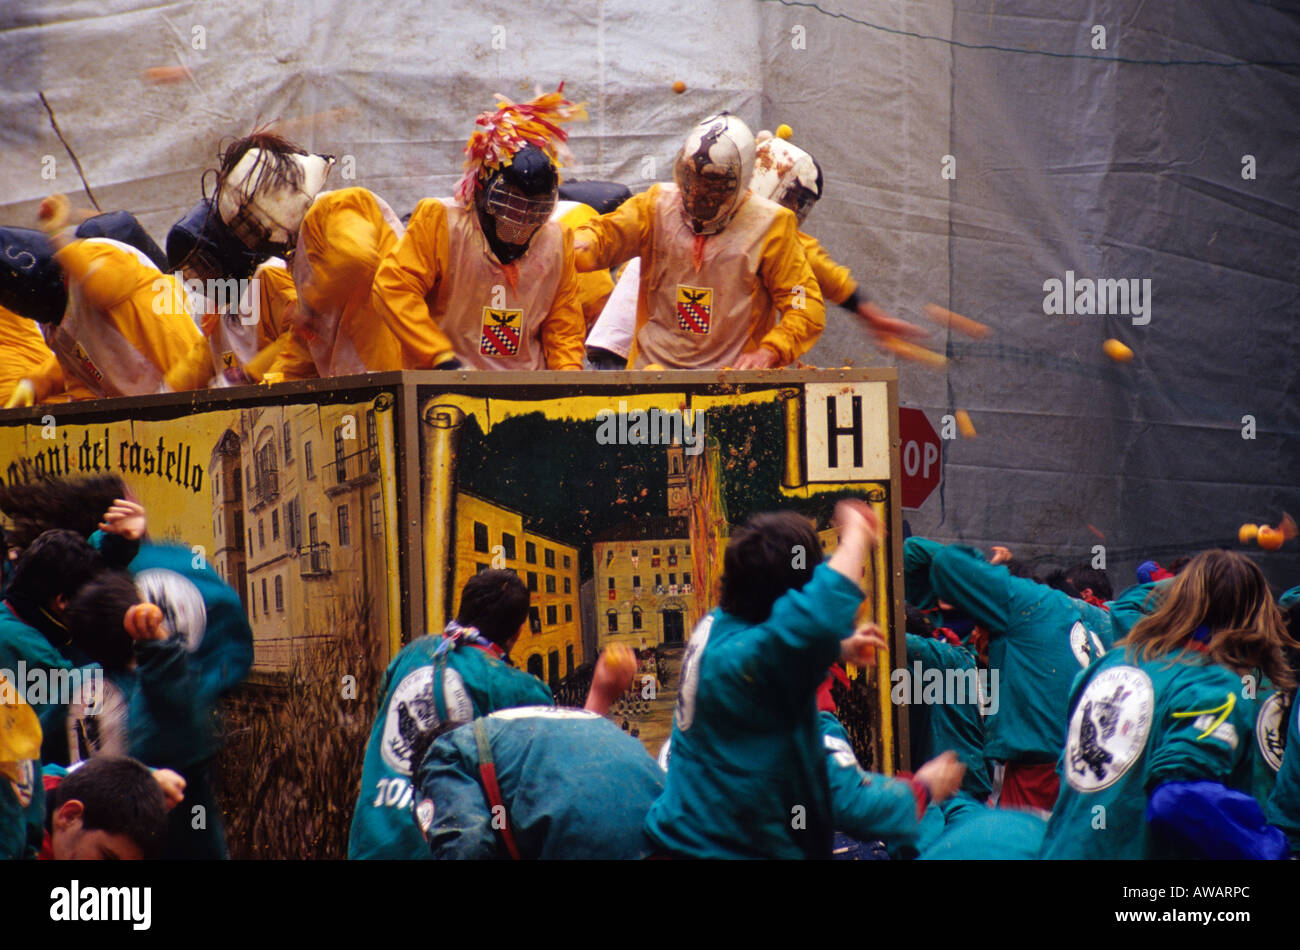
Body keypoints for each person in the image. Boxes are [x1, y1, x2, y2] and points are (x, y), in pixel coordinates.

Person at [643, 500, 883, 859]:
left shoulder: (716, 626)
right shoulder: (805, 724)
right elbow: (822, 609)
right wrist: (855, 534)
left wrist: (837, 646)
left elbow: (779, 639)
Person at [1040, 550, 1293, 859]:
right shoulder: (1210, 685)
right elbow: (1178, 798)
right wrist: (1264, 846)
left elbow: (1067, 769)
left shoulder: (1105, 664)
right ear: (1252, 618)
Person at [572, 112, 825, 370]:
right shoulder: (656, 204)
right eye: (692, 177)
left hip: (730, 389)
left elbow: (802, 302)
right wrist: (583, 242)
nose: (699, 193)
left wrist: (770, 351)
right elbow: (606, 235)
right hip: (650, 383)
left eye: (715, 183)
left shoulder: (772, 224)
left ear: (742, 179)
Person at [371, 88, 587, 371]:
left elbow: (563, 327)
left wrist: (570, 380)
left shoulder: (556, 241)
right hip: (444, 389)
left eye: (535, 209)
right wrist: (438, 356)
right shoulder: (441, 221)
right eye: (510, 204)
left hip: (526, 393)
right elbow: (394, 288)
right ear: (482, 191)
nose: (521, 220)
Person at [349, 569, 558, 859]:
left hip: (372, 846)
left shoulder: (411, 654)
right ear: (518, 631)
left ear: (463, 609)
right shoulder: (519, 690)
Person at [906, 537, 1114, 812]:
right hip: (1096, 780)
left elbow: (932, 558)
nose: (976, 634)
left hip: (1035, 782)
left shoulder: (955, 657)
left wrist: (982, 569)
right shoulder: (1089, 617)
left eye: (984, 622)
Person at [410, 650, 657, 860]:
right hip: (663, 829)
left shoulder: (444, 752)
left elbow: (467, 846)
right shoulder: (509, 734)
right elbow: (577, 769)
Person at [1, 198, 201, 405]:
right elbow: (82, 372)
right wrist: (35, 385)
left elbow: (102, 285)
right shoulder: (60, 320)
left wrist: (58, 238)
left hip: (188, 398)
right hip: (151, 416)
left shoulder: (106, 265)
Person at [39, 756, 170, 860]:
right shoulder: (21, 838)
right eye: (107, 857)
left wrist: (152, 776)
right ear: (70, 816)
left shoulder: (57, 778)